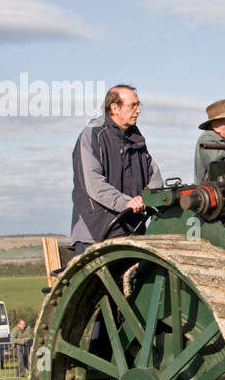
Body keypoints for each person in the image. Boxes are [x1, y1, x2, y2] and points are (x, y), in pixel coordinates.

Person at [70, 84, 164, 256]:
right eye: (132, 105)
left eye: (138, 105)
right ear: (114, 108)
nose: (138, 110)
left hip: (130, 231)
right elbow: (93, 183)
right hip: (95, 233)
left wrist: (146, 197)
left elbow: (155, 176)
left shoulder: (136, 139)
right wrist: (126, 202)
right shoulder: (93, 135)